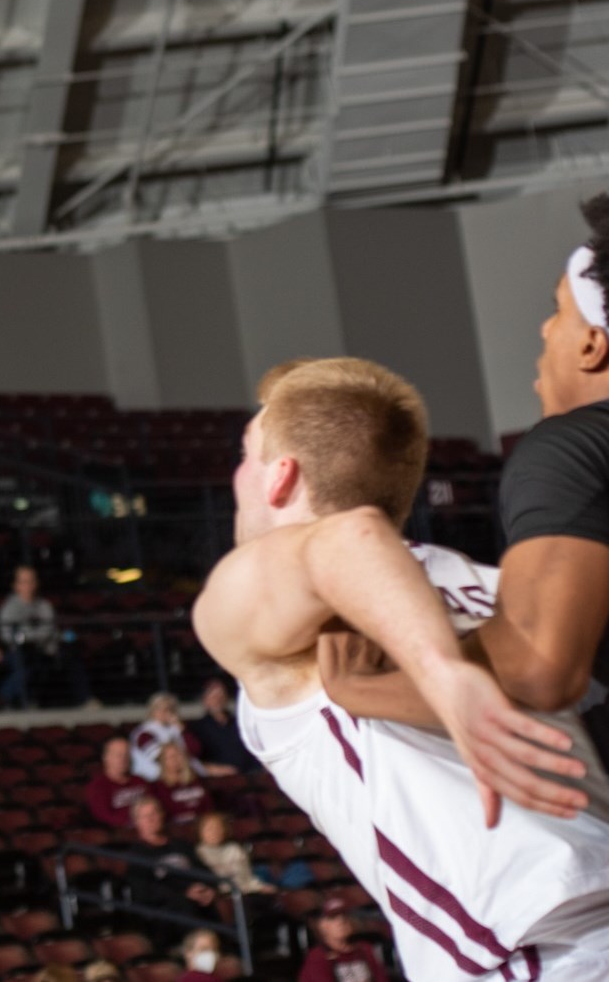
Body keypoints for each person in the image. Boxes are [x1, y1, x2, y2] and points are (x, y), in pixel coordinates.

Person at [195, 357, 609, 979]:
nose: (237, 474)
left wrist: (444, 674)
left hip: (539, 951)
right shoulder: (495, 586)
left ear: (280, 476)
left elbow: (347, 536)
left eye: (245, 454)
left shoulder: (279, 599)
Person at [325, 200, 609, 773]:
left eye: (557, 311)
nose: (544, 328)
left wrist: (356, 688)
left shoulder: (570, 448)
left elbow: (537, 665)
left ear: (592, 344)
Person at [118, 797, 220, 931]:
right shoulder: (137, 854)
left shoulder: (181, 845)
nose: (151, 819)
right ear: (137, 822)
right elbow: (144, 891)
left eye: (155, 813)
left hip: (197, 897)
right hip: (169, 907)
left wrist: (209, 888)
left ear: (162, 815)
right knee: (185, 905)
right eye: (146, 816)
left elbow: (204, 871)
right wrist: (184, 893)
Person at [0, 566, 91, 707]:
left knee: (71, 655)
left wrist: (28, 636)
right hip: (19, 651)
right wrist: (30, 639)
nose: (28, 585)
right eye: (24, 581)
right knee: (26, 662)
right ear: (15, 585)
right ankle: (5, 699)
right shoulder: (9, 609)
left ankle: (85, 700)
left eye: (31, 581)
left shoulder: (44, 605)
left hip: (46, 649)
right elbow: (7, 635)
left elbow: (50, 630)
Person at [297, 899, 386, 982]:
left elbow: (382, 978)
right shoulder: (317, 957)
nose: (341, 921)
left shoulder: (365, 948)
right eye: (333, 918)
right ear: (322, 925)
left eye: (345, 915)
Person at [186, 678, 258, 774]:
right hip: (217, 779)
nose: (218, 700)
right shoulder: (197, 728)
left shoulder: (239, 722)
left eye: (221, 696)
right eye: (214, 697)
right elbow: (193, 759)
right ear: (205, 700)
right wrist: (213, 769)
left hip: (249, 774)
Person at [131, 692, 209, 781]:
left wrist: (182, 730)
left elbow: (195, 751)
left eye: (169, 709)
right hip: (156, 778)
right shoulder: (144, 732)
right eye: (160, 708)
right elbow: (163, 759)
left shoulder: (176, 729)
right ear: (152, 710)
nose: (164, 711)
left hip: (184, 775)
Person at [191, 812, 272, 897]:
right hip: (220, 895)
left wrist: (260, 887)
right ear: (200, 831)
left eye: (218, 827)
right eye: (209, 829)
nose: (214, 832)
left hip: (245, 892)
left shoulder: (235, 849)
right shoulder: (197, 853)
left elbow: (247, 878)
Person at [84, 738, 149, 828]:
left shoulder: (140, 781)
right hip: (120, 832)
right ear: (106, 757)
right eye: (118, 755)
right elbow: (104, 817)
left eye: (126, 754)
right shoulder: (97, 786)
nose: (123, 759)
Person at [148, 742, 210, 824]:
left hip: (201, 825)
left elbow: (209, 807)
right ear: (163, 761)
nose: (175, 759)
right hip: (175, 828)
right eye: (170, 757)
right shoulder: (157, 787)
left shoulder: (197, 781)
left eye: (178, 755)